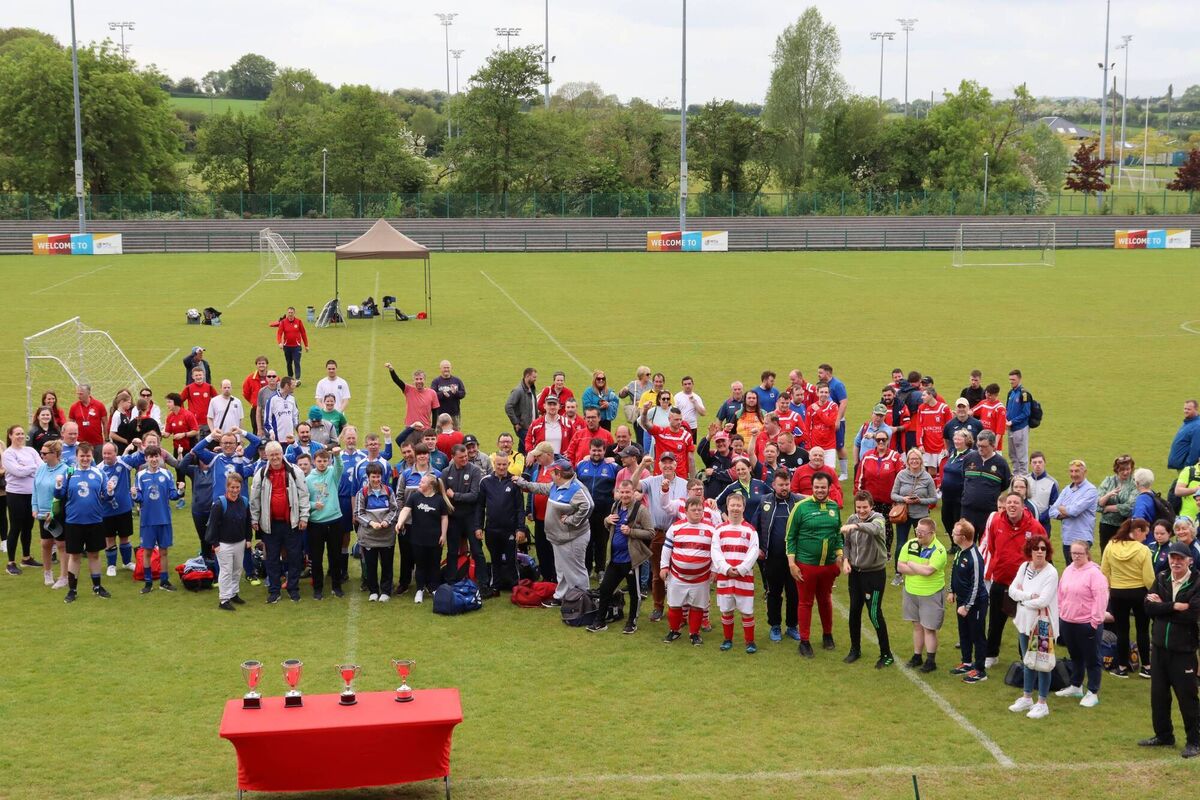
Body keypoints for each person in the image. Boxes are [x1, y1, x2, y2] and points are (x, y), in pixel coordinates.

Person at [1139, 543, 1200, 758]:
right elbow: (1148, 607)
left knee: (1187, 697)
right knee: (1158, 695)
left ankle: (1195, 741)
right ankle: (1164, 735)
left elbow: (1192, 614)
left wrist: (1162, 607)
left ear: (1189, 560)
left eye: (1180, 559)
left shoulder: (1197, 582)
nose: (1175, 562)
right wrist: (1173, 606)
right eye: (1173, 558)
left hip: (1183, 651)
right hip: (1159, 648)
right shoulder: (1163, 577)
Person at [516, 464, 593, 607]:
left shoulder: (576, 489)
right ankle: (561, 596)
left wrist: (571, 521)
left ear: (559, 474)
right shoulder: (555, 485)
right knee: (562, 569)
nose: (550, 474)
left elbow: (588, 505)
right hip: (559, 537)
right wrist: (522, 483)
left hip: (573, 537)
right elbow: (539, 488)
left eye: (552, 472)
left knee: (576, 569)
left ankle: (583, 600)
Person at [984, 491, 1047, 667]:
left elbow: (1044, 552)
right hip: (1001, 580)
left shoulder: (1034, 527)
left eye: (1015, 503)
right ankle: (991, 654)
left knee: (1026, 623)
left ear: (1023, 506)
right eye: (1009, 503)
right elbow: (992, 546)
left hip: (1025, 586)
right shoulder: (996, 521)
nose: (1011, 506)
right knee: (996, 620)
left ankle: (1026, 657)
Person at [786, 472, 843, 657]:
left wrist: (839, 556)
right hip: (806, 566)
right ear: (812, 487)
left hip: (828, 566)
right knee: (805, 602)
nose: (820, 490)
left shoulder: (834, 507)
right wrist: (792, 564)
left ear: (829, 488)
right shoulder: (801, 507)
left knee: (825, 601)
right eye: (817, 487)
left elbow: (838, 535)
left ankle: (828, 635)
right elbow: (790, 537)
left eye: (823, 487)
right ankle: (804, 641)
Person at [248, 441, 311, 604]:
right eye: (271, 455)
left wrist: (304, 517)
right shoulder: (260, 474)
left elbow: (304, 495)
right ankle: (274, 591)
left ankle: (293, 589)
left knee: (295, 557)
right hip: (270, 524)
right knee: (272, 558)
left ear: (281, 454)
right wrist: (254, 518)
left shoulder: (295, 471)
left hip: (292, 523)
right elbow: (254, 498)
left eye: (277, 453)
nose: (275, 457)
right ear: (266, 456)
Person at [54, 443, 117, 602]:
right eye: (82, 456)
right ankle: (72, 590)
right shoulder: (69, 472)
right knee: (74, 556)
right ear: (77, 456)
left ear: (92, 456)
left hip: (95, 520)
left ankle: (97, 586)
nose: (85, 459)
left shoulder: (99, 473)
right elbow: (60, 495)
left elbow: (107, 497)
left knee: (94, 554)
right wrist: (58, 484)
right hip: (73, 521)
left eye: (88, 456)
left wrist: (110, 491)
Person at [589, 479, 652, 634]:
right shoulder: (615, 506)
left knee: (634, 593)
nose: (624, 495)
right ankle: (600, 621)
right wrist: (606, 520)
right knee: (604, 589)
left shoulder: (641, 510)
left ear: (633, 493)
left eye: (628, 492)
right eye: (622, 492)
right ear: (618, 493)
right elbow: (610, 526)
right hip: (615, 559)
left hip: (631, 559)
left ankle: (632, 622)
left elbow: (651, 532)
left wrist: (631, 532)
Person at [1007, 534, 1059, 719]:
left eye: (1043, 549)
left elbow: (1043, 600)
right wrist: (1029, 597)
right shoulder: (1024, 566)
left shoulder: (1051, 572)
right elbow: (1012, 591)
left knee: (1043, 663)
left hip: (1043, 624)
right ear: (1030, 550)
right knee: (1027, 660)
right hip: (1024, 621)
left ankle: (1042, 703)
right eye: (1036, 548)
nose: (1039, 551)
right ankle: (1027, 697)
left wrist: (1022, 599)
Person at [841, 491, 893, 667]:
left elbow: (875, 529)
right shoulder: (851, 519)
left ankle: (886, 654)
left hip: (874, 574)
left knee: (874, 613)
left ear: (871, 506)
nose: (861, 511)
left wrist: (855, 527)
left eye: (865, 507)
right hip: (855, 573)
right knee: (854, 611)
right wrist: (846, 561)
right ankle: (855, 649)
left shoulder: (878, 518)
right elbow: (846, 544)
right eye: (858, 507)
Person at [636, 452, 689, 622]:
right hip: (658, 532)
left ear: (676, 464)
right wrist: (642, 466)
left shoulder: (684, 484)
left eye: (670, 462)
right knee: (658, 572)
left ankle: (680, 607)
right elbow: (633, 485)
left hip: (680, 533)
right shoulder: (652, 481)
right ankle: (658, 606)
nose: (667, 465)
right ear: (659, 465)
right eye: (664, 462)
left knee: (680, 571)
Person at [1055, 540, 1109, 707]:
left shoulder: (1095, 574)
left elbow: (1101, 599)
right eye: (1073, 553)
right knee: (1075, 656)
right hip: (1068, 621)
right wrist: (1060, 613)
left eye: (1080, 553)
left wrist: (1094, 622)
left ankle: (1093, 691)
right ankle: (1075, 685)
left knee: (1092, 659)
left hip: (1087, 623)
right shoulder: (1068, 570)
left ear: (1087, 554)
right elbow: (1061, 593)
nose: (1076, 556)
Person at [1101, 519, 1155, 678]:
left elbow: (1104, 571)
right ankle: (1146, 666)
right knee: (1142, 630)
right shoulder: (1143, 550)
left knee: (1122, 630)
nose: (1146, 537)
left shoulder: (1111, 545)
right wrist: (1152, 591)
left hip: (1118, 593)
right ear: (1137, 530)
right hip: (1139, 592)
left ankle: (1122, 667)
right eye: (1145, 533)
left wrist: (1110, 588)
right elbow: (1148, 577)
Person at [660, 497, 716, 645]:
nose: (697, 512)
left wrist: (715, 570)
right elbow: (667, 548)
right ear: (686, 511)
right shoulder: (675, 527)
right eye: (694, 509)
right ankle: (674, 631)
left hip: (701, 577)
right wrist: (664, 566)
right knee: (674, 605)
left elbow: (716, 552)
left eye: (700, 509)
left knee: (698, 606)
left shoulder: (711, 529)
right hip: (677, 575)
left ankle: (694, 634)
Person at [711, 492, 760, 653]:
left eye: (738, 505)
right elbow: (715, 552)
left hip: (744, 577)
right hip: (725, 576)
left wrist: (740, 570)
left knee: (747, 611)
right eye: (732, 505)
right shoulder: (719, 530)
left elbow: (753, 554)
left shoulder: (751, 531)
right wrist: (725, 568)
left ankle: (750, 642)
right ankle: (727, 639)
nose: (735, 508)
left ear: (744, 507)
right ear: (728, 507)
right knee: (726, 609)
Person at [897, 517, 947, 673]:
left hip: (930, 594)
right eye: (917, 531)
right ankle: (917, 656)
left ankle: (931, 661)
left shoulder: (939, 550)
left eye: (922, 532)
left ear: (932, 533)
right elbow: (900, 566)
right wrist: (919, 568)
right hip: (911, 592)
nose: (918, 534)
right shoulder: (910, 544)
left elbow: (928, 571)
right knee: (917, 626)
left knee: (929, 628)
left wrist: (911, 565)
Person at [131, 446, 183, 593]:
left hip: (164, 519)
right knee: (147, 552)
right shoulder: (140, 475)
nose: (154, 459)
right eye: (150, 457)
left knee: (164, 551)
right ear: (146, 459)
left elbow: (172, 495)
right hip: (147, 520)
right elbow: (139, 497)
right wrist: (134, 495)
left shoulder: (167, 474)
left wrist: (180, 491)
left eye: (156, 457)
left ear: (160, 457)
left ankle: (164, 581)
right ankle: (148, 583)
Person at [756, 470, 800, 642]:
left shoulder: (798, 502)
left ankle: (792, 626)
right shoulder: (765, 501)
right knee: (774, 593)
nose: (784, 488)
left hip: (794, 559)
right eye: (780, 485)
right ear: (773, 485)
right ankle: (775, 626)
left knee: (793, 593)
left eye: (787, 484)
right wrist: (759, 547)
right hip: (772, 558)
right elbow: (755, 525)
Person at [396, 474, 452, 603]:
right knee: (420, 565)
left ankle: (434, 588)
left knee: (434, 565)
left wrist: (443, 535)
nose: (419, 484)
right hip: (417, 539)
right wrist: (400, 522)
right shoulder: (415, 497)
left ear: (430, 486)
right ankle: (419, 590)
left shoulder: (439, 500)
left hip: (435, 539)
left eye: (422, 482)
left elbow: (444, 518)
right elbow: (405, 509)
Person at [442, 443, 488, 592]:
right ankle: (451, 582)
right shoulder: (446, 472)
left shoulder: (474, 471)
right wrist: (452, 499)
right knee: (452, 551)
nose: (464, 459)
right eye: (461, 457)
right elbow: (443, 496)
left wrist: (455, 495)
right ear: (453, 457)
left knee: (477, 550)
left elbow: (474, 495)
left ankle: (483, 582)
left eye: (466, 457)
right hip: (453, 518)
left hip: (471, 517)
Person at [478, 451, 524, 593]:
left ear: (509, 464)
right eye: (499, 464)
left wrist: (520, 528)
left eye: (504, 464)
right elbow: (480, 507)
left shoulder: (514, 482)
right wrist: (478, 526)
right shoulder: (485, 482)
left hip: (509, 529)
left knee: (511, 559)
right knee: (494, 558)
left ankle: (514, 584)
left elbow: (519, 508)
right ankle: (496, 584)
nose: (502, 467)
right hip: (491, 529)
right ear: (494, 464)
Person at [889, 449, 938, 583]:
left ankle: (923, 569)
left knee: (923, 543)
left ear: (921, 461)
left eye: (917, 459)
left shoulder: (927, 477)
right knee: (900, 544)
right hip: (903, 515)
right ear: (908, 461)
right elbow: (893, 495)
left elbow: (934, 498)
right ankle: (898, 574)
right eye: (912, 459)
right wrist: (904, 499)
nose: (914, 461)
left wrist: (920, 501)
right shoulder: (901, 475)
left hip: (921, 517)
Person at [949, 520, 989, 683]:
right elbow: (954, 571)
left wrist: (967, 605)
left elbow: (976, 585)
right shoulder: (960, 552)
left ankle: (980, 670)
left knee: (977, 635)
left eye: (955, 533)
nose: (952, 534)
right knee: (963, 632)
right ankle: (966, 662)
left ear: (964, 537)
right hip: (962, 601)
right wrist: (951, 591)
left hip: (975, 603)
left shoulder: (974, 557)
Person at [353, 462, 400, 602]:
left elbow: (395, 509)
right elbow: (358, 513)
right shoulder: (362, 493)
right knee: (371, 565)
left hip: (387, 536)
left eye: (378, 477)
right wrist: (371, 523)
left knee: (387, 564)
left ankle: (385, 591)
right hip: (369, 536)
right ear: (368, 477)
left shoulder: (389, 491)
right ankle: (373, 590)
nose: (376, 480)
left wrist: (386, 521)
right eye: (373, 477)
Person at [205, 473, 252, 611]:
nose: (235, 490)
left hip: (240, 542)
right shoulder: (219, 504)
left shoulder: (244, 502)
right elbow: (212, 525)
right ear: (227, 487)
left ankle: (233, 594)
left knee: (237, 569)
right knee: (226, 571)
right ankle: (224, 599)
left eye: (237, 487)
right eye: (232, 487)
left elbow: (247, 522)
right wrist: (215, 544)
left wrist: (248, 539)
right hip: (224, 544)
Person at [305, 446, 344, 599]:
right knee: (316, 558)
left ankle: (337, 586)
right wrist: (314, 505)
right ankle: (318, 589)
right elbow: (303, 501)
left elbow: (340, 467)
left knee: (335, 556)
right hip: (316, 523)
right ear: (314, 462)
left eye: (325, 461)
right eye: (319, 461)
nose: (322, 463)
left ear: (329, 461)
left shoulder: (333, 474)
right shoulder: (308, 479)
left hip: (334, 520)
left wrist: (337, 455)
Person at [856, 431, 904, 557]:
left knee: (886, 527)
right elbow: (859, 478)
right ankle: (867, 550)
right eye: (878, 440)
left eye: (883, 439)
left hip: (888, 501)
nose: (881, 442)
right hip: (869, 501)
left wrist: (897, 500)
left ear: (888, 440)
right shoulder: (867, 456)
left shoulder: (895, 457)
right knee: (867, 525)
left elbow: (901, 479)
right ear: (875, 441)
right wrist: (859, 497)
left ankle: (886, 551)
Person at [576, 437, 618, 580]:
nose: (596, 453)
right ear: (589, 450)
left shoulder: (612, 467)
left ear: (604, 451)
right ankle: (586, 569)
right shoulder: (581, 465)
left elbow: (620, 484)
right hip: (585, 510)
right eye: (594, 450)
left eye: (599, 451)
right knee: (586, 541)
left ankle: (600, 570)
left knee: (601, 541)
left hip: (604, 511)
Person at [960, 430, 1012, 543]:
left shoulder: (1001, 464)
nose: (980, 449)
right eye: (978, 446)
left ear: (993, 446)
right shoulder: (969, 458)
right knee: (966, 542)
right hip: (968, 510)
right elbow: (963, 477)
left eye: (984, 446)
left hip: (988, 512)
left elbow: (1005, 484)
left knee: (987, 544)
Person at [32, 440, 70, 587]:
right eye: (41, 452)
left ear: (55, 454)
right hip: (42, 513)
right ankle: (47, 573)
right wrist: (34, 507)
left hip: (57, 513)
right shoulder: (41, 469)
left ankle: (64, 576)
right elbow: (35, 489)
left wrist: (54, 513)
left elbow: (64, 494)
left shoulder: (65, 470)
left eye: (45, 453)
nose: (42, 455)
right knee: (46, 543)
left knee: (61, 544)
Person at [3, 426, 40, 574]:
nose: (20, 436)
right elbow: (17, 472)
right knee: (15, 527)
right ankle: (11, 562)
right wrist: (31, 468)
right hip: (15, 495)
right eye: (17, 434)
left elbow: (41, 467)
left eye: (22, 434)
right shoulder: (8, 454)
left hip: (31, 494)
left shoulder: (30, 451)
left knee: (28, 527)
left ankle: (26, 557)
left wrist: (27, 467)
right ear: (10, 436)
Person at [1050, 459, 1098, 563]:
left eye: (1077, 471)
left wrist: (1063, 508)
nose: (1073, 474)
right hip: (1067, 538)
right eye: (1071, 471)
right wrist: (1067, 511)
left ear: (1084, 472)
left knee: (1081, 571)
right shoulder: (1067, 489)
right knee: (1071, 571)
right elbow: (1052, 511)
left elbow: (1074, 511)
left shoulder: (1091, 490)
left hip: (1082, 539)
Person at [816, 364, 850, 480]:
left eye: (820, 373)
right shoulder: (823, 385)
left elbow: (844, 402)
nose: (818, 375)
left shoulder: (837, 385)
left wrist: (838, 419)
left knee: (839, 446)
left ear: (828, 373)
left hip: (836, 420)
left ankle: (844, 473)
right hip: (825, 422)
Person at [644, 407, 696, 479]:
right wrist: (645, 411)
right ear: (669, 419)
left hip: (680, 477)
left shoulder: (687, 436)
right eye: (676, 419)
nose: (679, 422)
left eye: (680, 419)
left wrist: (693, 480)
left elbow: (691, 459)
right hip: (661, 477)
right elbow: (646, 424)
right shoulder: (660, 433)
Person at [1097, 455, 1137, 551]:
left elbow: (1129, 507)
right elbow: (1097, 505)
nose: (1126, 472)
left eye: (1128, 469)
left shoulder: (1134, 483)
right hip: (1106, 525)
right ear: (1116, 469)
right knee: (1106, 553)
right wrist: (1108, 495)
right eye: (1122, 469)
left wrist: (1107, 508)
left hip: (1125, 526)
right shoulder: (1108, 481)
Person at [915, 389, 951, 476]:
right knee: (931, 471)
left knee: (944, 470)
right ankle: (932, 489)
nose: (921, 397)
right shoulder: (921, 408)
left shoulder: (944, 408)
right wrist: (920, 444)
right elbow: (919, 427)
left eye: (924, 395)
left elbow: (949, 427)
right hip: (928, 446)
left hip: (942, 446)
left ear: (930, 395)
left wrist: (948, 446)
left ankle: (943, 488)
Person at [1005, 370, 1033, 475]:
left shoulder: (1024, 394)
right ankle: (1015, 479)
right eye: (1010, 379)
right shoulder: (1011, 393)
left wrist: (1012, 422)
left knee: (1021, 456)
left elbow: (1026, 413)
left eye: (1013, 379)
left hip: (1020, 429)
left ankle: (1023, 479)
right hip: (1010, 428)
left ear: (1019, 379)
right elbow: (1008, 409)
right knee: (1012, 455)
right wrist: (1006, 420)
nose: (1011, 382)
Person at [505, 368, 538, 452]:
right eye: (534, 377)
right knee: (531, 449)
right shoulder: (518, 391)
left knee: (523, 449)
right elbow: (508, 406)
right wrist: (515, 422)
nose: (535, 379)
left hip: (531, 427)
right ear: (527, 376)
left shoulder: (531, 389)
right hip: (524, 427)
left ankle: (520, 462)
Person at [276, 307, 309, 385]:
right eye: (289, 312)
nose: (290, 314)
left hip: (296, 346)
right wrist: (279, 342)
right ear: (287, 313)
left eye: (291, 312)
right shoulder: (283, 322)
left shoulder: (298, 322)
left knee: (297, 361)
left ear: (294, 313)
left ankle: (297, 379)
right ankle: (290, 378)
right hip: (287, 346)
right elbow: (279, 333)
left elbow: (303, 333)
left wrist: (306, 345)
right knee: (289, 363)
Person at [263, 377, 300, 443]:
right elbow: (267, 421)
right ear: (286, 385)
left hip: (291, 440)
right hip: (277, 440)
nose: (294, 387)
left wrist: (298, 431)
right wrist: (271, 433)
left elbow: (295, 417)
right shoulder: (272, 399)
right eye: (293, 385)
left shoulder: (292, 399)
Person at [972, 383, 1007, 452]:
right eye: (986, 394)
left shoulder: (1000, 409)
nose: (987, 396)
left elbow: (1000, 429)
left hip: (992, 444)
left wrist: (995, 443)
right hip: (982, 442)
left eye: (990, 395)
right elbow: (972, 411)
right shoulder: (983, 403)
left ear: (996, 395)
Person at [163, 393, 199, 459]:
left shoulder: (188, 415)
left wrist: (183, 434)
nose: (167, 404)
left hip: (190, 448)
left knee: (189, 468)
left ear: (176, 402)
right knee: (178, 468)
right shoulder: (170, 417)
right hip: (177, 448)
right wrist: (160, 433)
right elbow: (167, 434)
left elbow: (196, 431)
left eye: (169, 402)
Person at [1167, 400, 1200, 471]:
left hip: (1186, 469)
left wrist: (1188, 466)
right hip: (1181, 466)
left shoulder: (1197, 426)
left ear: (1196, 409)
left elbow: (1196, 449)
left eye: (1189, 409)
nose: (1186, 411)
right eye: (1185, 409)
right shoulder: (1188, 423)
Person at [241, 356, 271, 435]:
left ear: (267, 365)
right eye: (259, 363)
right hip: (256, 409)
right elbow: (246, 393)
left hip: (271, 408)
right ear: (256, 365)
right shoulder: (250, 378)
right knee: (257, 431)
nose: (261, 365)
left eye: (263, 363)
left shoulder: (273, 377)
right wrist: (253, 402)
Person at [674, 376, 706, 440]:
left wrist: (695, 402)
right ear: (682, 385)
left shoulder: (696, 397)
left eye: (689, 384)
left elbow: (703, 413)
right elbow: (673, 412)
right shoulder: (677, 397)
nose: (687, 386)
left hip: (692, 427)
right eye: (685, 384)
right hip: (680, 427)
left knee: (691, 448)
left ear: (692, 384)